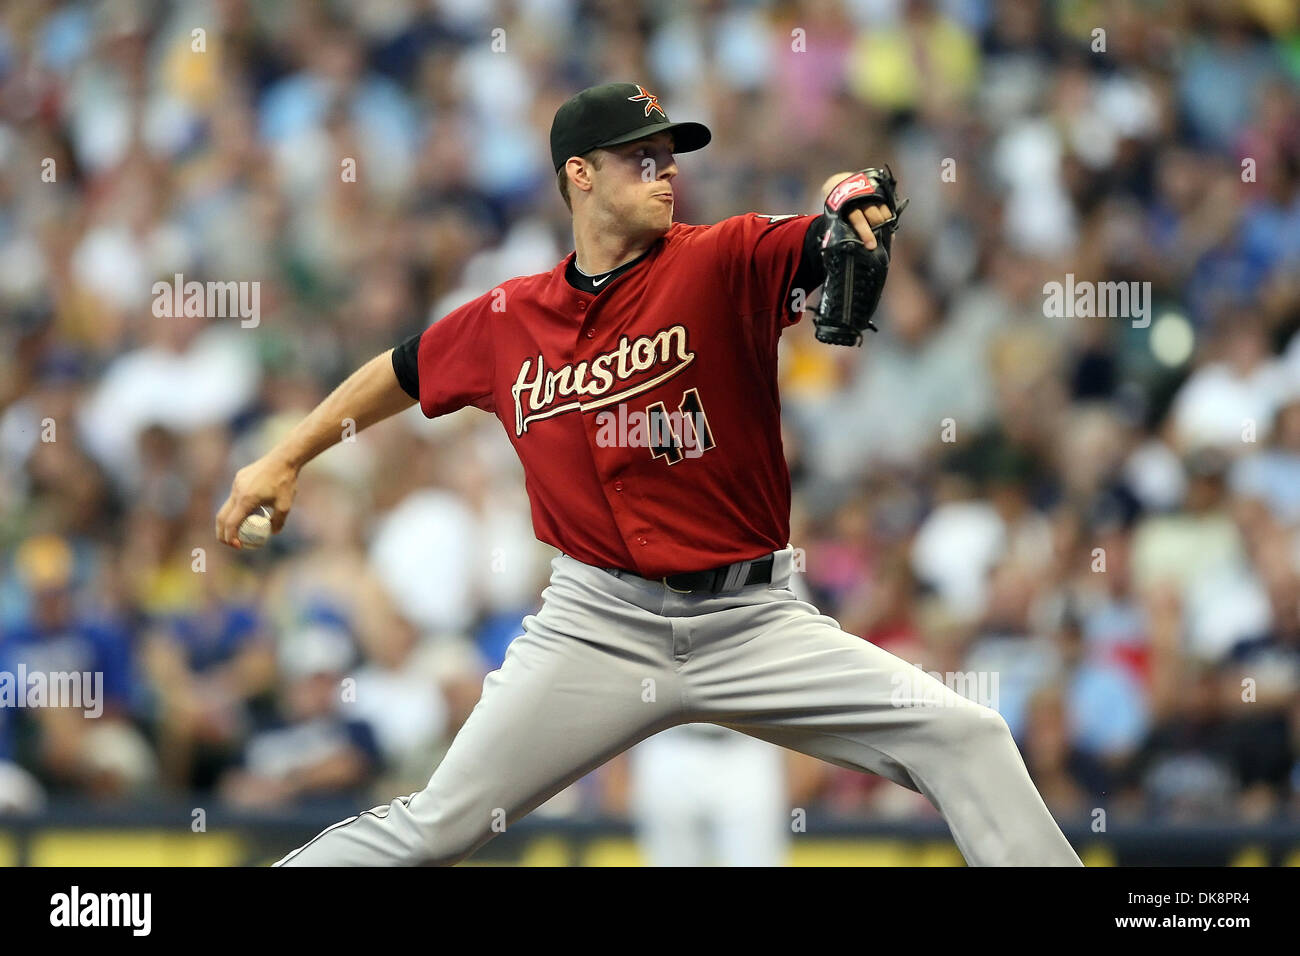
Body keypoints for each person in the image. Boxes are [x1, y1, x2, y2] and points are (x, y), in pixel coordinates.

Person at [216, 82, 1081, 866]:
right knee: (439, 823)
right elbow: (402, 371)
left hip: (750, 621)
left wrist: (855, 205)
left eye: (669, 157)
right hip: (596, 623)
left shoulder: (720, 259)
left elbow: (819, 243)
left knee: (966, 737)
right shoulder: (510, 316)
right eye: (643, 158)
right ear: (580, 176)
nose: (666, 173)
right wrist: (286, 455)